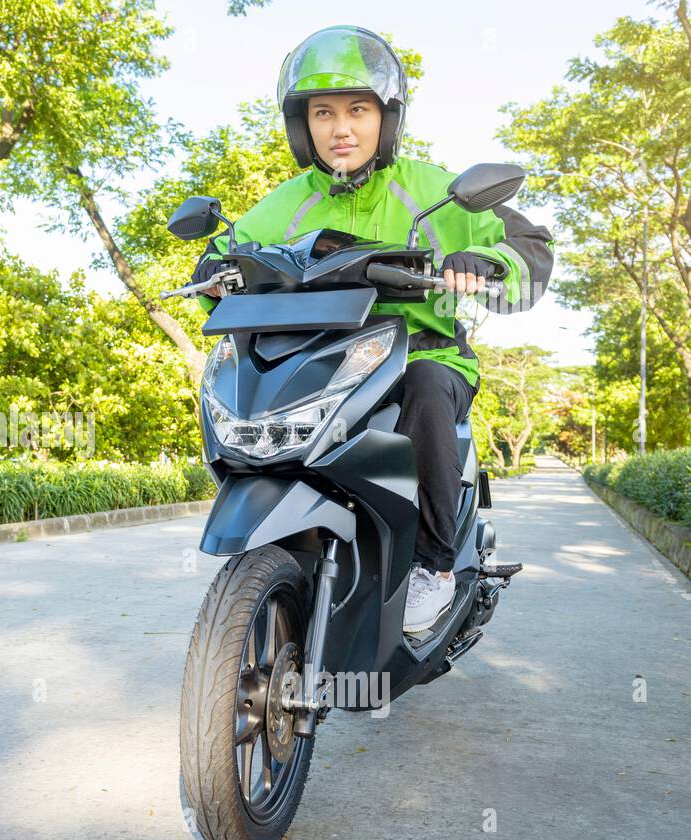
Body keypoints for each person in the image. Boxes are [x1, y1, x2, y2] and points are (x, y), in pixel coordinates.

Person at [189, 25, 553, 634]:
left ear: (387, 118)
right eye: (323, 112)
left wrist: (488, 263)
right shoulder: (285, 205)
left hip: (418, 355)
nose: (341, 128)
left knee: (430, 386)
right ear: (301, 125)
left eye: (358, 110)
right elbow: (227, 261)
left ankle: (433, 566)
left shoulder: (434, 192)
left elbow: (530, 248)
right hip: (323, 363)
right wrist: (211, 271)